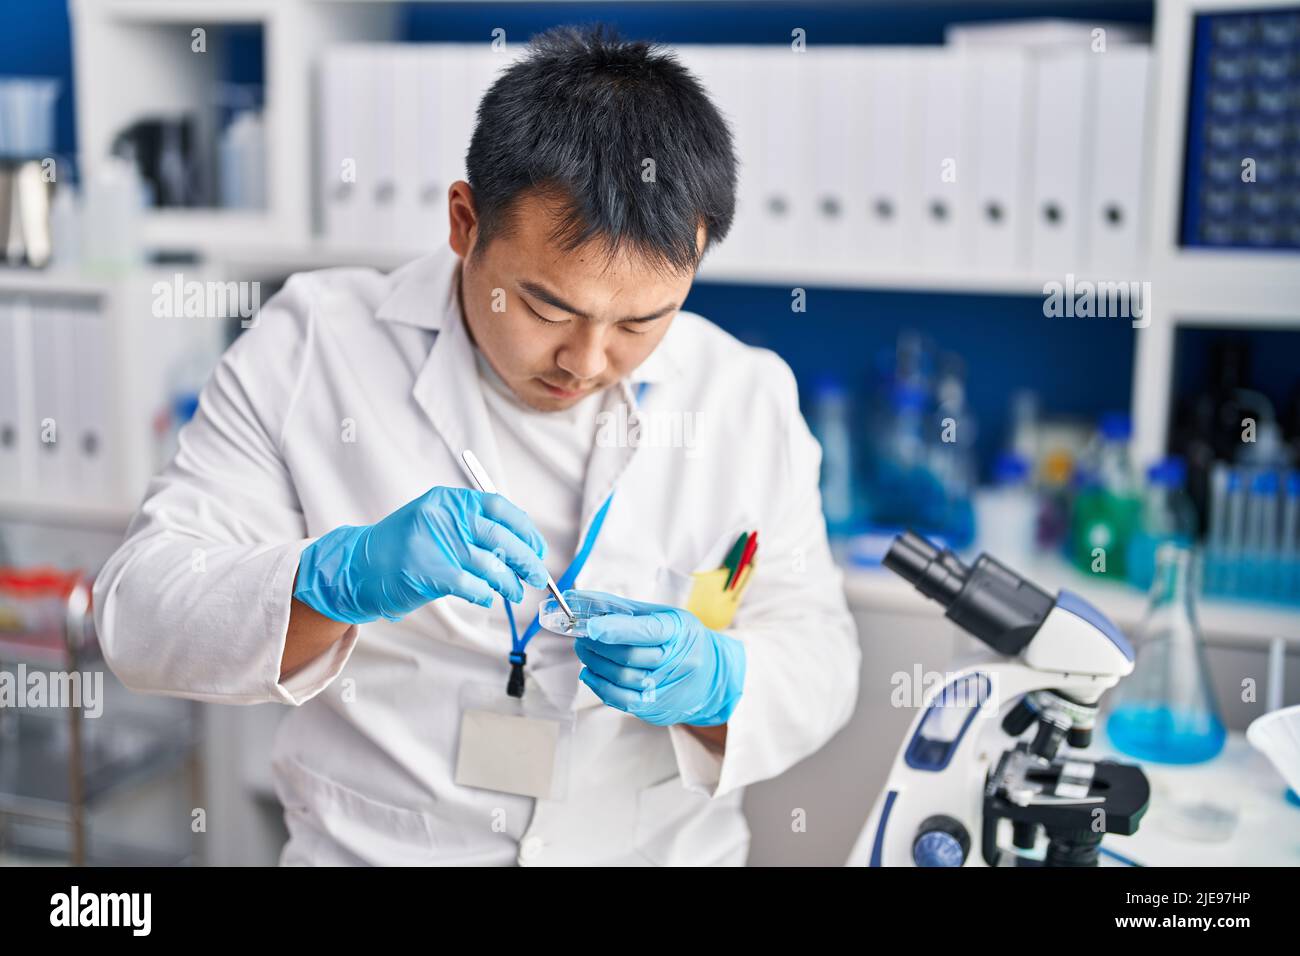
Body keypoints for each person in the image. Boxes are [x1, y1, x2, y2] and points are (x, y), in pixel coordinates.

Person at [94, 24, 859, 866]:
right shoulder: (312, 348)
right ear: (465, 223)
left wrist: (719, 682)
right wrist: (332, 580)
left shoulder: (744, 396)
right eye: (547, 309)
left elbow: (819, 656)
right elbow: (137, 614)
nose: (589, 359)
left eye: (642, 321)